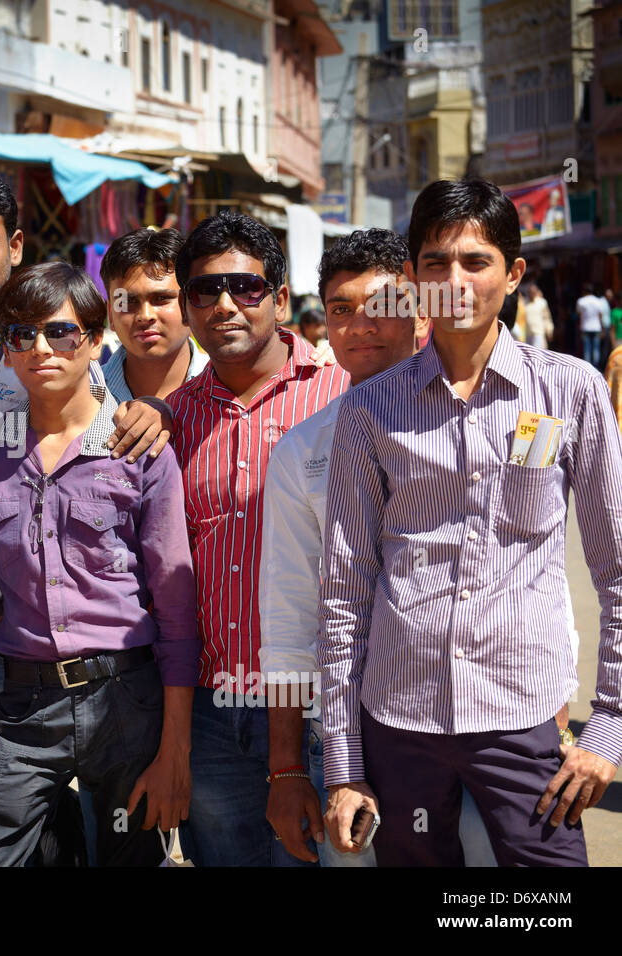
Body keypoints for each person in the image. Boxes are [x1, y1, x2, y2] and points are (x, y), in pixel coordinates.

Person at [319, 178, 622, 866]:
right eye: (434, 263)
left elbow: (617, 570)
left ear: (513, 274)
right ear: (413, 278)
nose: (454, 279)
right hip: (397, 722)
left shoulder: (570, 390)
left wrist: (609, 726)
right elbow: (344, 588)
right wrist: (343, 764)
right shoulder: (370, 410)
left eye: (476, 261)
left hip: (522, 719)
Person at [0, 262, 197, 865]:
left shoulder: (139, 448)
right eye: (20, 336)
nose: (41, 349)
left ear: (96, 342)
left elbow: (177, 609)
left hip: (128, 697)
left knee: (132, 859)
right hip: (25, 704)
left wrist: (173, 749)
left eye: (61, 332)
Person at [260, 228, 505, 868]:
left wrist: (560, 715)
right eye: (341, 310)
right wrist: (287, 769)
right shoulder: (302, 453)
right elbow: (289, 622)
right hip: (350, 742)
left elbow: (532, 569)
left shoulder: (481, 423)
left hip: (488, 723)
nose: (361, 326)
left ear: (420, 312)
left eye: (383, 306)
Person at [165, 209, 349, 867]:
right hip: (217, 714)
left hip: (326, 711)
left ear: (278, 297)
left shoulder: (344, 396)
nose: (224, 305)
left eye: (244, 287)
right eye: (204, 291)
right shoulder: (173, 421)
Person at [99, 226, 210, 403]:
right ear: (110, 315)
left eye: (161, 298)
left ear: (190, 304)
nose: (145, 315)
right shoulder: (84, 399)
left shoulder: (228, 389)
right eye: (129, 301)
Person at [575, 282, 606, 369]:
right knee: (596, 348)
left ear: (584, 291)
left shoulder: (581, 301)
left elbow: (578, 314)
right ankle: (595, 367)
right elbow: (600, 315)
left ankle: (588, 368)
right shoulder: (598, 301)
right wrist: (602, 327)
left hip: (585, 327)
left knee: (587, 348)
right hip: (596, 327)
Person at [523, 282, 554, 350]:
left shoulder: (542, 302)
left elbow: (546, 318)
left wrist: (549, 330)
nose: (532, 294)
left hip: (538, 334)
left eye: (534, 292)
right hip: (527, 334)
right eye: (530, 292)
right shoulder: (523, 303)